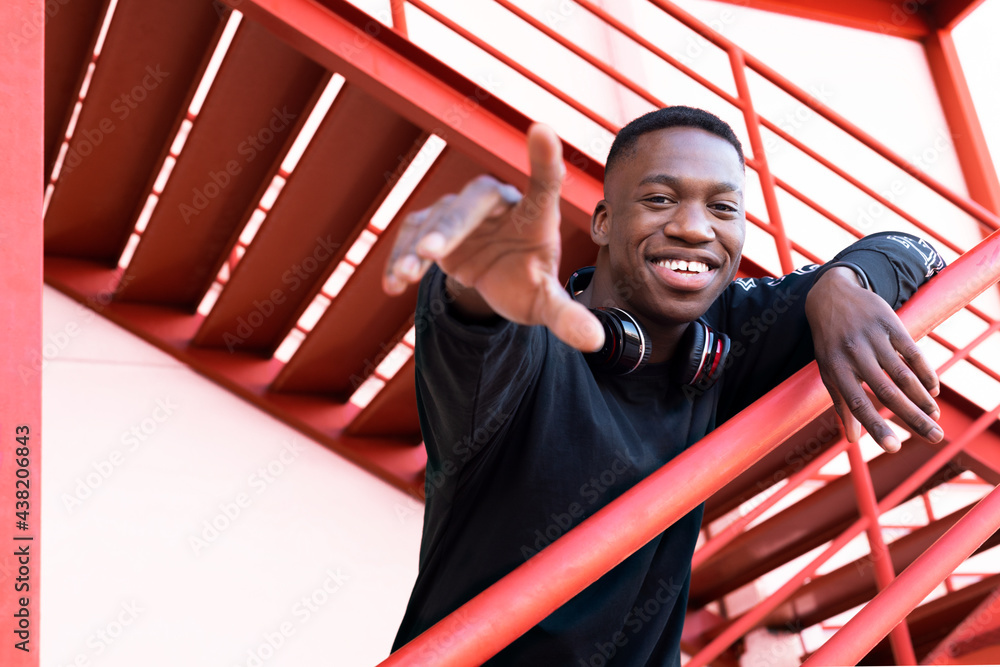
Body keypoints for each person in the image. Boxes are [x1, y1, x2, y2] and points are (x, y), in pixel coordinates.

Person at [382, 106, 945, 665]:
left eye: (722, 207)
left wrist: (841, 283)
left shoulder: (726, 333)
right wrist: (475, 268)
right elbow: (475, 316)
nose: (694, 228)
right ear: (603, 222)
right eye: (659, 199)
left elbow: (915, 248)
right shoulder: (528, 347)